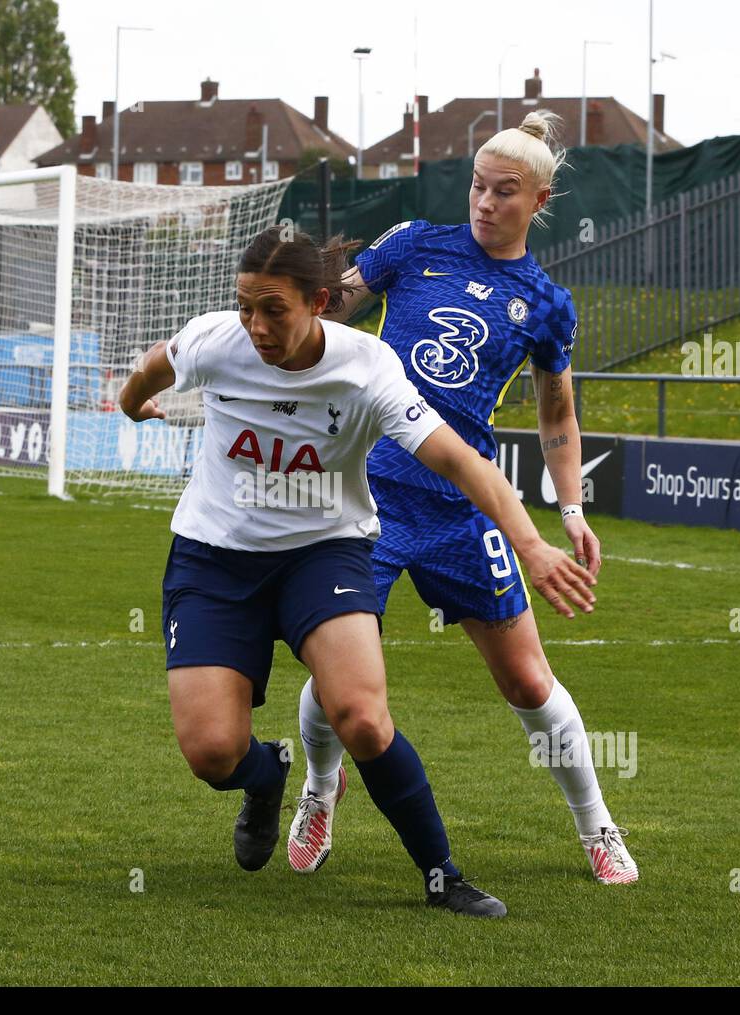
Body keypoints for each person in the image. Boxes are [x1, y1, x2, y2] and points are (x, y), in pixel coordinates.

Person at [118, 225, 597, 917]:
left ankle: (442, 874)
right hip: (215, 558)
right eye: (245, 306)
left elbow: (462, 461)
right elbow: (152, 366)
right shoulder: (216, 339)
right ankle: (269, 774)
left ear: (318, 302)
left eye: (273, 309)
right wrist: (134, 404)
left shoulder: (366, 366)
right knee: (212, 754)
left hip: (324, 552)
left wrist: (532, 543)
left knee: (364, 720)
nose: (255, 325)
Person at [285, 111, 639, 885]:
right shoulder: (415, 243)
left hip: (463, 506)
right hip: (368, 493)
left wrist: (571, 510)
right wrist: (285, 311)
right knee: (336, 678)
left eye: (504, 192)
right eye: (478, 185)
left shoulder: (544, 303)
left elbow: (558, 415)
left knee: (528, 681)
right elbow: (330, 305)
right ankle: (317, 788)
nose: (484, 202)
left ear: (539, 201)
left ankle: (597, 824)